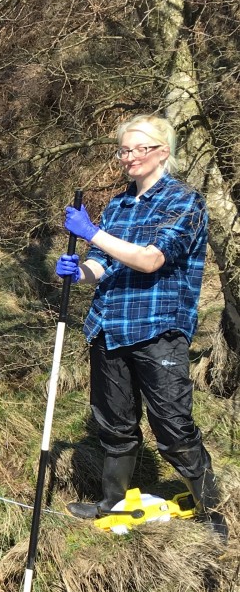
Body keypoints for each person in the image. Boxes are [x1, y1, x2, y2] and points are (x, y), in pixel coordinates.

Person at [56, 113, 225, 537]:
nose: (129, 157)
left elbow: (151, 260)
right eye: (123, 150)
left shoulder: (184, 202)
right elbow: (104, 264)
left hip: (158, 328)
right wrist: (79, 273)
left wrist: (92, 232)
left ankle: (216, 510)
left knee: (171, 425)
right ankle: (112, 501)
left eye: (138, 149)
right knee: (113, 420)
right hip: (109, 325)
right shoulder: (118, 204)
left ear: (162, 152)